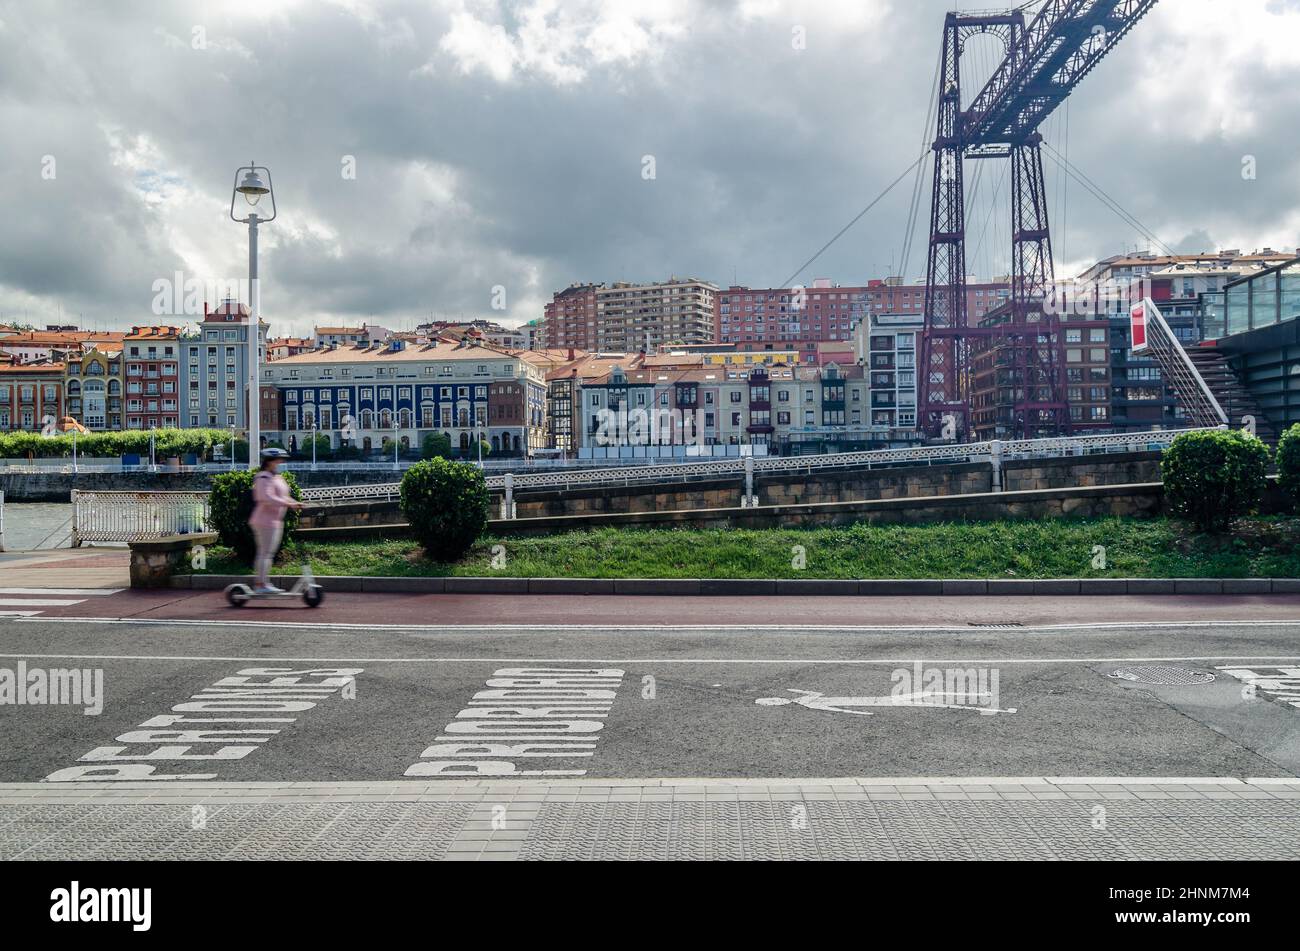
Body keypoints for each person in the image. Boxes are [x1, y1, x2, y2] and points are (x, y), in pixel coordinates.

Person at [248, 448, 302, 594]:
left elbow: (283, 496)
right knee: (265, 553)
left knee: (268, 553)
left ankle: (264, 583)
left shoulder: (276, 477)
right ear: (269, 461)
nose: (280, 462)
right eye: (277, 460)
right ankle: (261, 584)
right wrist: (289, 504)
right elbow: (266, 498)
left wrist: (294, 503)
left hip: (275, 521)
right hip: (264, 520)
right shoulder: (263, 477)